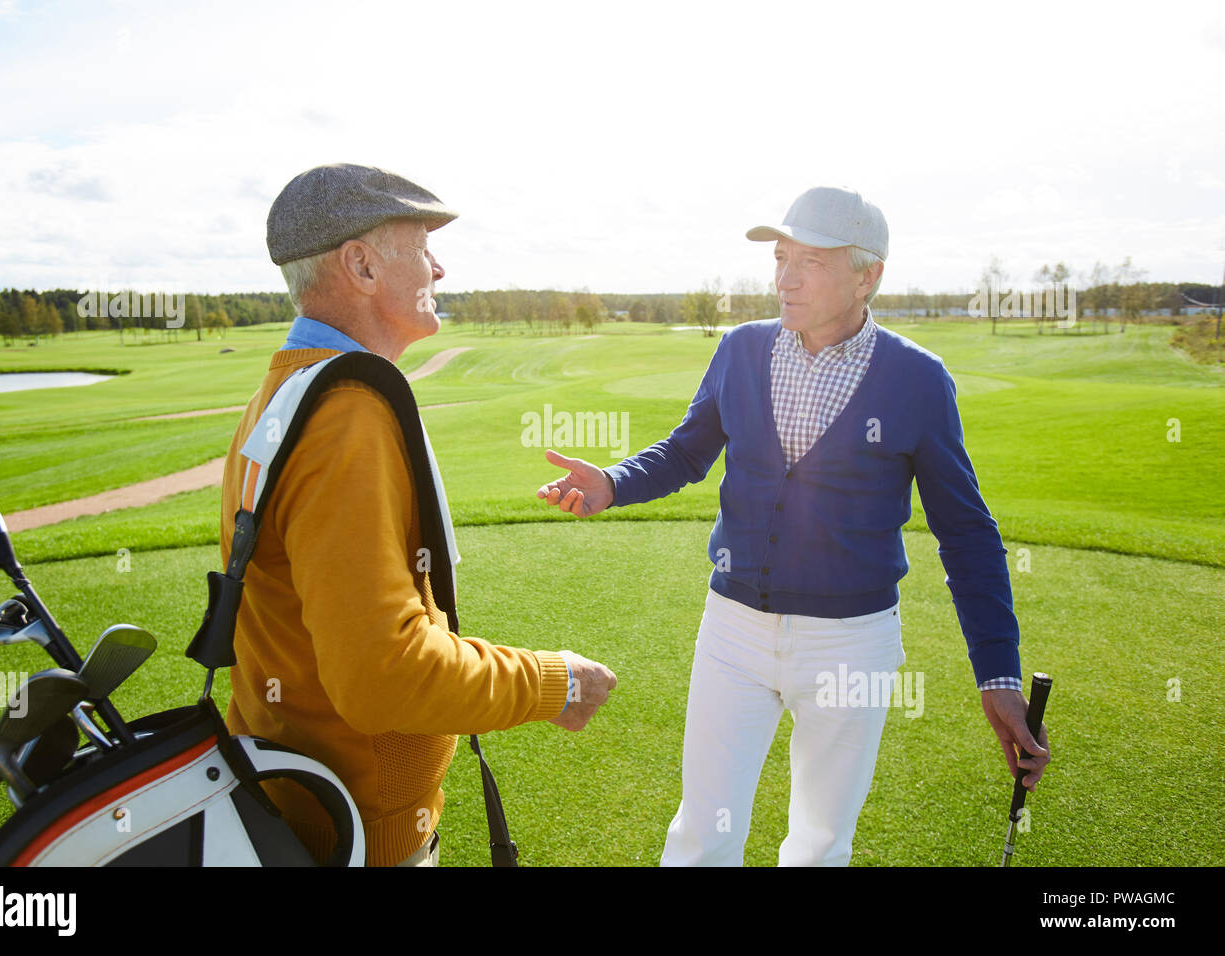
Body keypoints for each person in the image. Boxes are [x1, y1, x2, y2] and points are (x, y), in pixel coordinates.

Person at [536, 186, 1049, 866]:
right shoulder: (741, 350)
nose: (784, 278)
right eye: (780, 257)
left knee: (818, 842)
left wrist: (998, 677)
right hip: (734, 630)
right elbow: (687, 451)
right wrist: (611, 483)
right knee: (703, 832)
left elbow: (967, 533)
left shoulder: (917, 380)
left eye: (809, 260)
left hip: (853, 645)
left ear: (868, 275)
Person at [220, 163, 617, 867]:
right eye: (421, 242)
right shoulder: (347, 413)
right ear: (362, 265)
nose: (440, 263)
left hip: (295, 809)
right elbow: (383, 675)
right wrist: (556, 682)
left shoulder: (294, 382)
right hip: (351, 837)